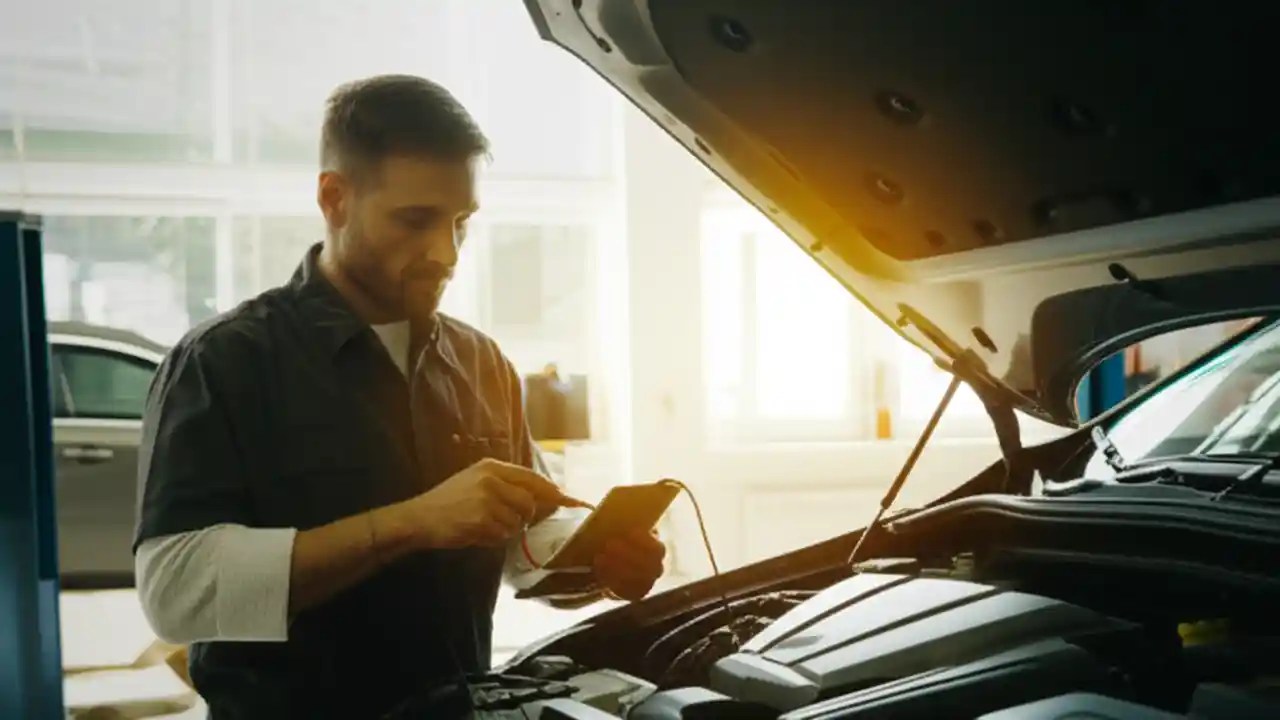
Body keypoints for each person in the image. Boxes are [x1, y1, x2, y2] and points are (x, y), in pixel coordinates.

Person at [133, 75, 666, 718]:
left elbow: (523, 547)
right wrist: (415, 523)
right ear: (334, 198)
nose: (446, 252)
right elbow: (174, 593)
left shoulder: (481, 362)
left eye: (461, 223)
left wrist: (595, 566)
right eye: (416, 220)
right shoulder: (223, 361)